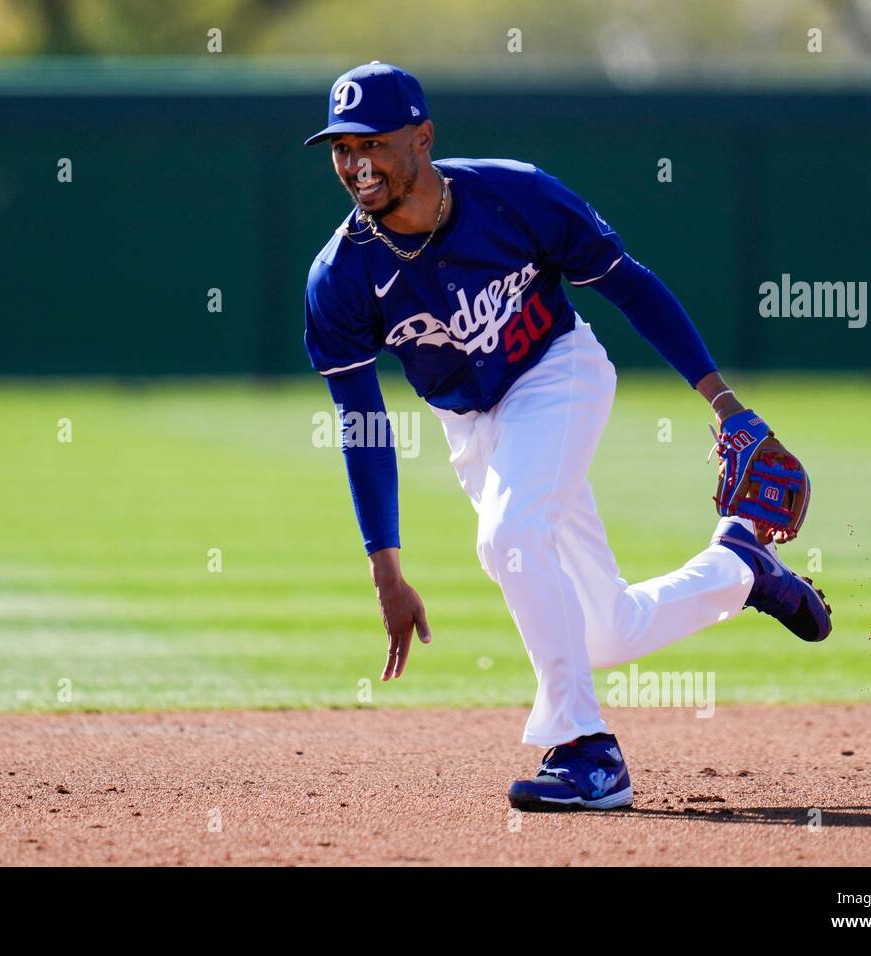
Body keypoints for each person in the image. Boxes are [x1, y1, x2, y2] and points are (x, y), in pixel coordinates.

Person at [303, 62, 832, 811]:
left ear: (422, 137)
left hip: (559, 373)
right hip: (472, 424)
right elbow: (363, 425)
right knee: (606, 632)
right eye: (342, 148)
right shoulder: (339, 277)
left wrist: (726, 404)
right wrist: (384, 567)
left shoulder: (513, 196)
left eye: (375, 143)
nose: (357, 164)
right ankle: (740, 565)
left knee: (507, 538)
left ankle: (587, 749)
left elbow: (629, 283)